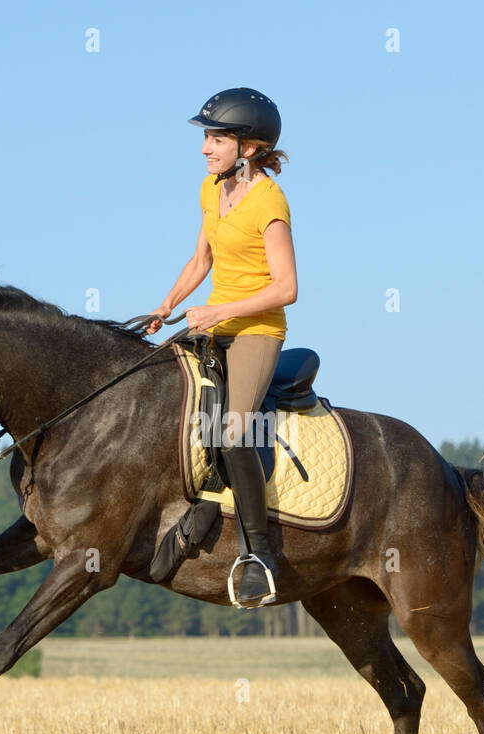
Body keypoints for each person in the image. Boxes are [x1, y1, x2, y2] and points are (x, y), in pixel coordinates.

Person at [146, 87, 296, 608]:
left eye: (215, 138)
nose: (205, 147)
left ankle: (260, 555)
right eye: (205, 137)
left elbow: (287, 288)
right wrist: (167, 304)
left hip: (256, 331)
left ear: (248, 148)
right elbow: (201, 259)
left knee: (233, 434)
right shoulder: (211, 189)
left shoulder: (270, 203)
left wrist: (217, 312)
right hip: (214, 324)